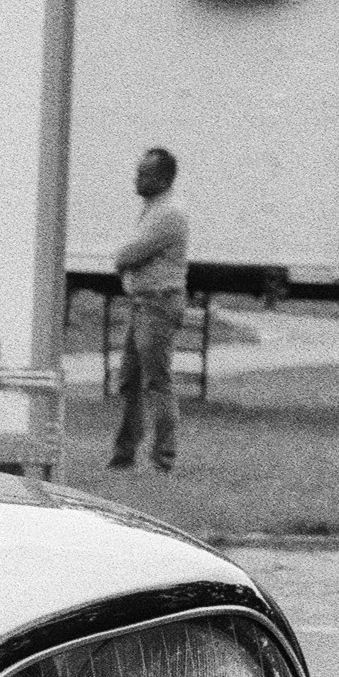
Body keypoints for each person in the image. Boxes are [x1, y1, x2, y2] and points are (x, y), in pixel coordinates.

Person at [110, 146, 189, 471]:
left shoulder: (169, 214)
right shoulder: (153, 209)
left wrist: (123, 261)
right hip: (143, 303)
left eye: (145, 174)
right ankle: (124, 455)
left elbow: (128, 253)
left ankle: (163, 458)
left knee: (157, 382)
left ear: (164, 179)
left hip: (158, 304)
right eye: (138, 172)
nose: (137, 178)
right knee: (129, 381)